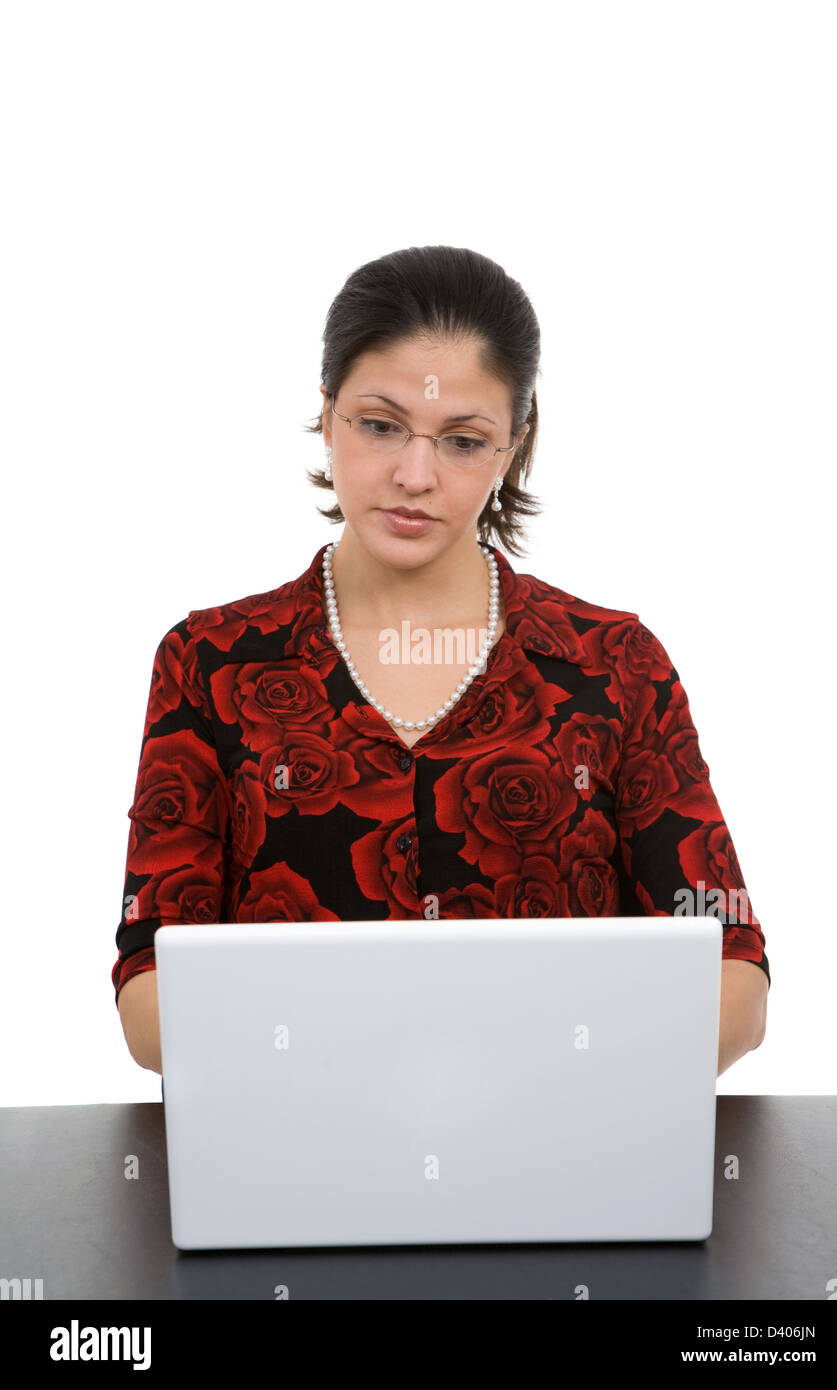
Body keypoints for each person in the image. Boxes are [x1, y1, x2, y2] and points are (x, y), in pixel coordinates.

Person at [114, 245, 769, 1081]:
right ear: (326, 412)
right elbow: (148, 992)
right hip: (296, 1167)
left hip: (567, 1160)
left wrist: (544, 1082)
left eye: (463, 441)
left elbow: (733, 977)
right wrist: (371, 1078)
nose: (414, 476)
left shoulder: (615, 665)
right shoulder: (207, 663)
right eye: (380, 425)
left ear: (513, 447)